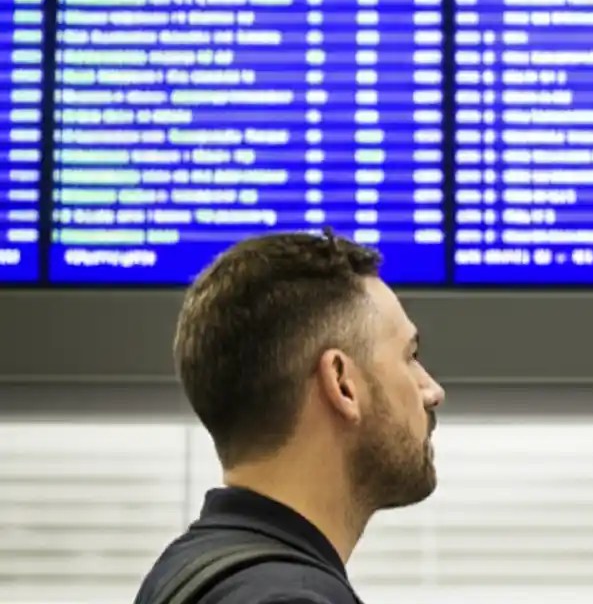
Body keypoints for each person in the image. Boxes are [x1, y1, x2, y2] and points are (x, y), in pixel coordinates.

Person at [133, 230, 446, 604]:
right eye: (409, 357)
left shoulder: (185, 572)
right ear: (342, 383)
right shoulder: (288, 597)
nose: (431, 391)